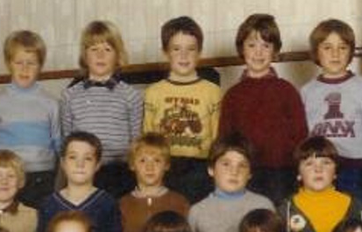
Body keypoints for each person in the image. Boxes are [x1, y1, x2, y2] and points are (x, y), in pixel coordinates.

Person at [218, 13, 307, 206]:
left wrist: (297, 170)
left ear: (275, 51)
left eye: (265, 46)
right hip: (243, 173)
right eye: (252, 45)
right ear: (242, 49)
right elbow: (224, 140)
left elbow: (300, 136)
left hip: (281, 174)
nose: (258, 53)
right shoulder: (233, 95)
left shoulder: (287, 90)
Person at [299, 19, 362, 205]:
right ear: (316, 52)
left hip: (356, 166)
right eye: (327, 47)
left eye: (342, 47)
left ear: (351, 51)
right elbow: (303, 133)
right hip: (320, 166)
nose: (335, 54)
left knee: (356, 214)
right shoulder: (307, 91)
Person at [60, 20, 143, 199]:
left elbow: (136, 143)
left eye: (107, 49)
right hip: (83, 171)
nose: (100, 55)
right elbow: (67, 141)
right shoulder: (70, 96)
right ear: (84, 55)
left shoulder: (130, 95)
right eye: (93, 49)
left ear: (117, 55)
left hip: (119, 174)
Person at [143, 16, 221, 204]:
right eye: (176, 49)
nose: (183, 56)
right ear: (165, 52)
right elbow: (148, 139)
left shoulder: (213, 91)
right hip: (165, 168)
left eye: (190, 49)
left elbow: (217, 138)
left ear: (199, 52)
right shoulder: (153, 92)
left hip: (200, 170)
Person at [35, 131, 124, 232]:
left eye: (87, 158)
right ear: (62, 163)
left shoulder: (107, 202)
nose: (80, 164)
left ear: (97, 165)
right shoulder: (48, 204)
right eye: (73, 157)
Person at [0, 30, 61, 208]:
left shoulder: (51, 103)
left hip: (42, 175)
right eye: (18, 62)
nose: (24, 68)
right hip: (8, 176)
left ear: (40, 65)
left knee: (39, 225)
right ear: (8, 64)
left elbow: (58, 144)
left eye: (31, 63)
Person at [188, 136, 274, 232]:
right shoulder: (197, 211)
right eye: (226, 164)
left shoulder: (263, 205)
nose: (234, 171)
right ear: (211, 169)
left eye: (242, 165)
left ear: (250, 174)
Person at [119, 133, 191, 232]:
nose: (149, 167)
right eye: (143, 161)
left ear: (166, 165)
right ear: (132, 165)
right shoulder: (123, 204)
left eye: (157, 161)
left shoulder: (180, 202)